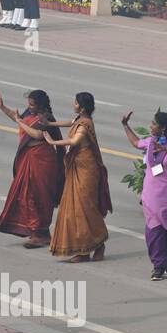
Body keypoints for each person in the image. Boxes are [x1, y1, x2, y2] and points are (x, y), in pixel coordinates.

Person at [123, 110, 167, 280]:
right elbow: (136, 142)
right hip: (152, 194)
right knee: (154, 230)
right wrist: (125, 125)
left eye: (154, 124)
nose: (150, 126)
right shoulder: (151, 141)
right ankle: (158, 266)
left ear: (162, 128)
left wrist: (166, 149)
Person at [45, 92, 112, 263]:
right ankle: (84, 250)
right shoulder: (80, 119)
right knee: (74, 211)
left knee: (85, 209)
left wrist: (52, 142)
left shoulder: (84, 125)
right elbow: (70, 123)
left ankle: (98, 243)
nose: (73, 104)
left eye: (75, 102)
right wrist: (50, 123)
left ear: (81, 106)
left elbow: (74, 141)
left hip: (87, 171)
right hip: (77, 169)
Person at [0, 90, 64, 248]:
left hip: (42, 160)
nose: (28, 107)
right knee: (26, 195)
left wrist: (20, 122)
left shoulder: (45, 117)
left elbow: (38, 134)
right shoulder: (29, 113)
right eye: (28, 104)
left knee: (40, 196)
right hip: (29, 158)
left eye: (32, 104)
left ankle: (40, 233)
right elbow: (18, 118)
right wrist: (2, 107)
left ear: (40, 105)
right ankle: (39, 233)